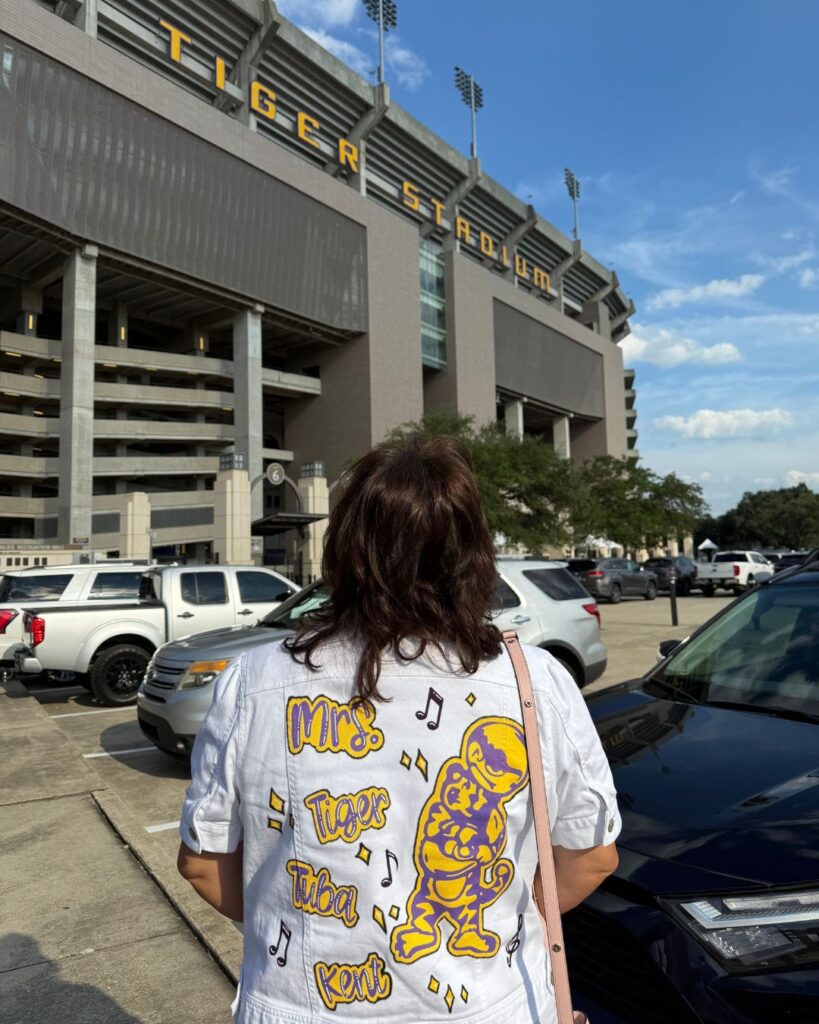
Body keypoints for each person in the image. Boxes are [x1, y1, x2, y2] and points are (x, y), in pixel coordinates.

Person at [178, 436, 620, 1024]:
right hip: (493, 1005)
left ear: (344, 549)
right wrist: (498, 920)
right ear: (473, 554)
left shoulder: (251, 681)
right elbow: (591, 857)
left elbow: (204, 863)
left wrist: (295, 924)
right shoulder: (535, 681)